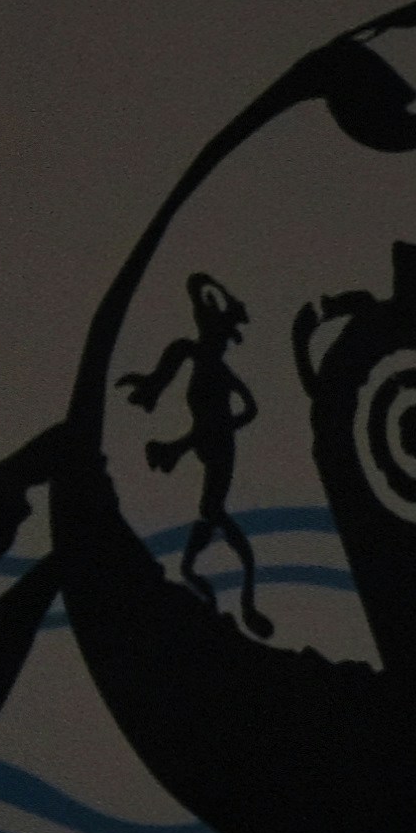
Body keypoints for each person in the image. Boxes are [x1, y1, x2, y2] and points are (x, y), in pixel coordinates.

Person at [118, 269, 270, 632]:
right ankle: (207, 588)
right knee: (210, 512)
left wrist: (219, 429)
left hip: (218, 445)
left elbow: (250, 409)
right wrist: (150, 387)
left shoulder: (218, 370)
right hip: (206, 438)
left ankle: (242, 599)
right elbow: (195, 287)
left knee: (212, 510)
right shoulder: (190, 352)